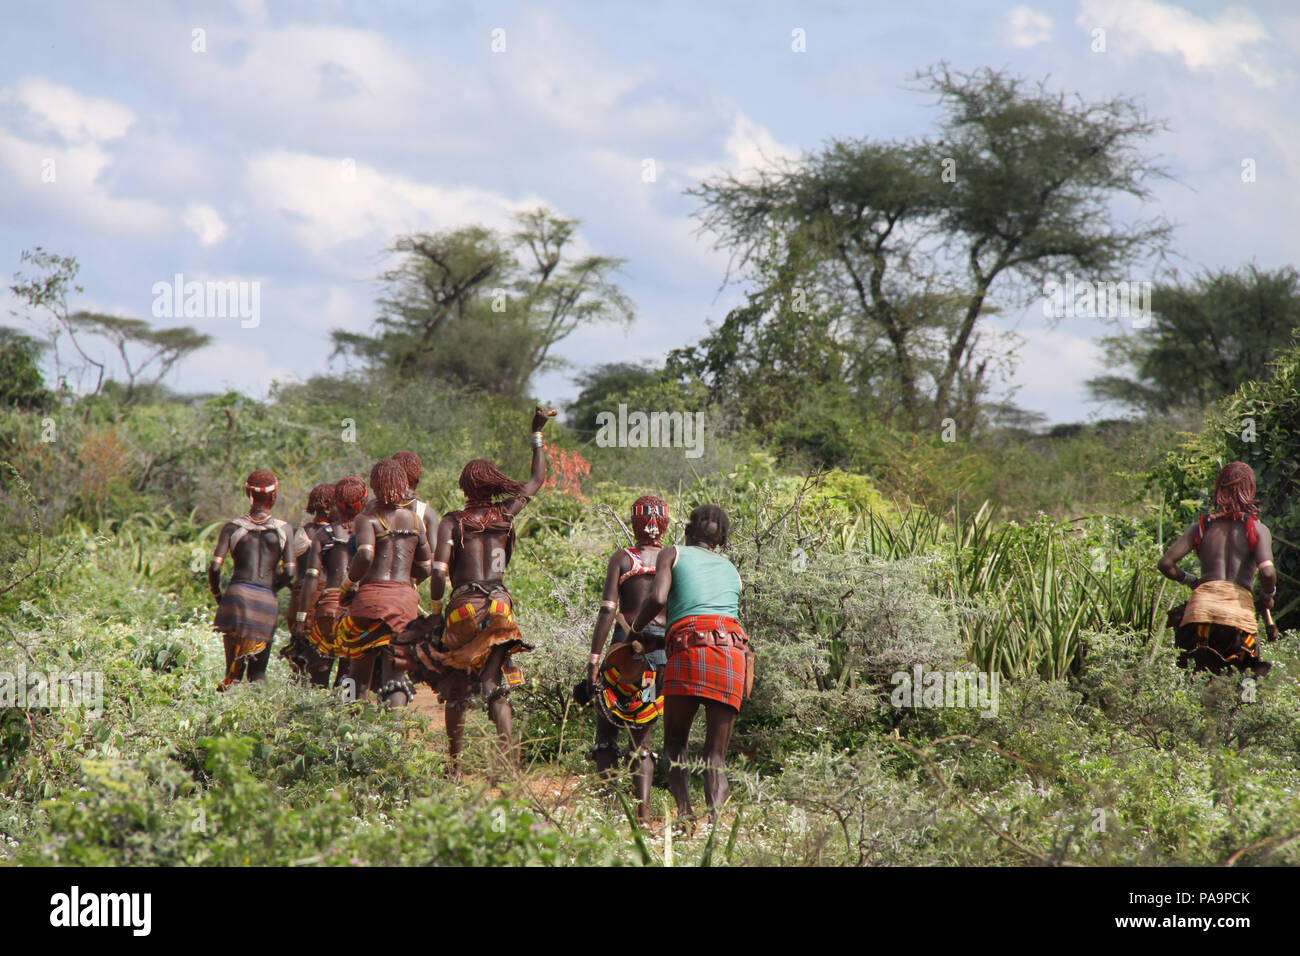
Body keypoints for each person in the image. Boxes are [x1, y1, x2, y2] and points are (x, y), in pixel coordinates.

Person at [390, 405, 556, 771]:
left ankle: (454, 765)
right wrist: (537, 434)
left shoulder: (453, 521)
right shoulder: (506, 515)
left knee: (454, 683)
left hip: (463, 607)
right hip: (499, 606)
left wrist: (436, 613)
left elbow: (437, 571)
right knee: (495, 685)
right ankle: (508, 765)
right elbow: (536, 480)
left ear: (465, 488)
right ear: (494, 482)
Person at [628, 504, 751, 831]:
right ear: (722, 538)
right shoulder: (732, 569)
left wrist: (636, 630)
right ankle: (715, 828)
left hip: (689, 650)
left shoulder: (673, 553)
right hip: (731, 652)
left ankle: (684, 817)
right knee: (716, 757)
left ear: (687, 529)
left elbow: (658, 599)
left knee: (675, 745)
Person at [583, 495, 670, 826]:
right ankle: (643, 818)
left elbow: (608, 610)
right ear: (663, 523)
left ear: (635, 523)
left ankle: (604, 811)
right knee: (642, 736)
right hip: (659, 656)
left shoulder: (624, 558)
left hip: (624, 652)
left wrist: (593, 661)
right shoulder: (671, 559)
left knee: (607, 728)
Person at [1158, 461, 1277, 677]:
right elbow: (1268, 573)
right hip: (1236, 621)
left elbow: (1166, 564)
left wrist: (1192, 581)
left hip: (1198, 617)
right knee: (1243, 683)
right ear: (1249, 490)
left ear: (1218, 489)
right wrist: (1268, 596)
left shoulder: (1202, 527)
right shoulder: (1258, 529)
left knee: (1195, 681)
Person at [331, 459, 431, 705]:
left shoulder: (366, 520)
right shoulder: (416, 521)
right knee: (395, 674)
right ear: (402, 484)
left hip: (369, 600)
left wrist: (346, 586)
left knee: (357, 675)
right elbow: (427, 567)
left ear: (375, 486)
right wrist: (407, 580)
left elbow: (365, 554)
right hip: (403, 602)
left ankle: (351, 732)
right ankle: (394, 734)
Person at [209, 470, 295, 690]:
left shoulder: (232, 528)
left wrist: (218, 594)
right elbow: (291, 572)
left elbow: (215, 566)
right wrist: (272, 587)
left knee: (232, 672)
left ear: (248, 492)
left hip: (236, 598)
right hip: (265, 601)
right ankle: (259, 716)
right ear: (274, 496)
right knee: (258, 673)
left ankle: (225, 710)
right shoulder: (284, 530)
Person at [291, 478, 361, 687]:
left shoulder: (324, 534)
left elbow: (312, 577)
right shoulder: (369, 532)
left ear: (336, 504)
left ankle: (318, 714)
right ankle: (344, 713)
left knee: (320, 669)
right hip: (357, 609)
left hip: (329, 607)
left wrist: (301, 618)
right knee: (349, 671)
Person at [282, 483, 337, 684]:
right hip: (322, 600)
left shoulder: (300, 531)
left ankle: (299, 701)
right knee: (321, 658)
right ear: (328, 507)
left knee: (299, 653)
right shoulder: (333, 534)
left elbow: (289, 569)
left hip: (298, 598)